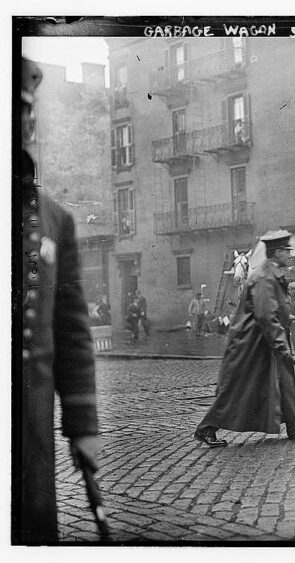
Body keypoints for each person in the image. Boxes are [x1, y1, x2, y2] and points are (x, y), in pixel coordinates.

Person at [14, 57, 100, 544]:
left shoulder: (53, 219)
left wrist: (83, 425)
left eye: (27, 112)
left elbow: (70, 331)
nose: (24, 123)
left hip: (31, 435)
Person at [194, 230, 295, 447]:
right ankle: (206, 428)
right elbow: (264, 313)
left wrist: (285, 314)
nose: (289, 255)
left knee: (285, 380)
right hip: (251, 342)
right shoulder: (263, 277)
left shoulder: (272, 274)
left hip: (266, 339)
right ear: (277, 252)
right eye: (286, 251)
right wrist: (281, 343)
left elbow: (273, 307)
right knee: (239, 387)